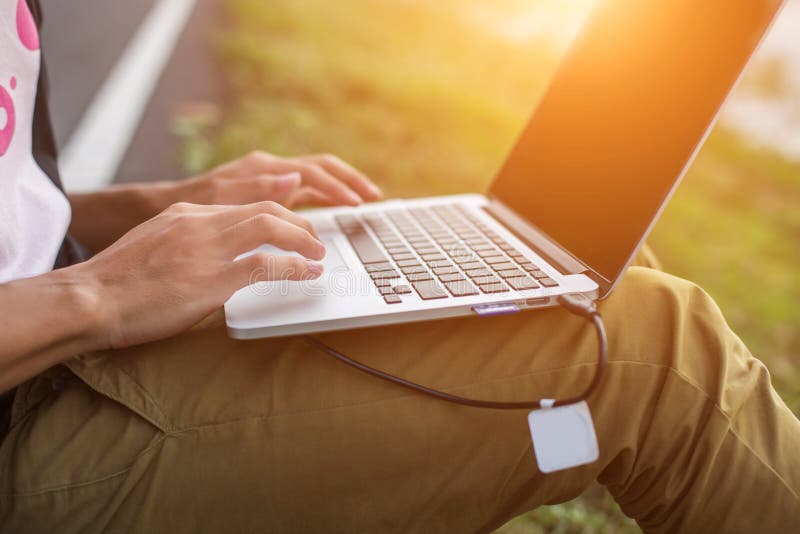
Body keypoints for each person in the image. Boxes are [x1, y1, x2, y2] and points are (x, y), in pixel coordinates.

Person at [1, 1, 798, 532]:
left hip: (60, 331)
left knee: (582, 279)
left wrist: (154, 206)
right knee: (654, 351)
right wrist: (99, 292)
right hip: (28, 422)